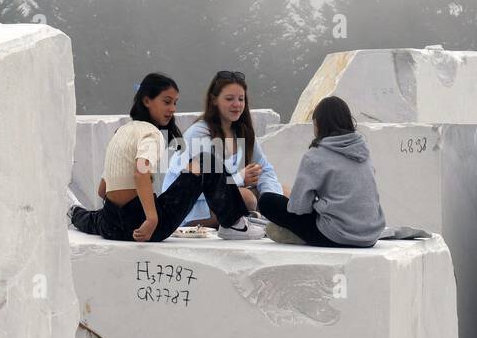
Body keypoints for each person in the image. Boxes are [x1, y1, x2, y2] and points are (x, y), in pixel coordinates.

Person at [69, 72, 265, 242]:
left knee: (92, 219)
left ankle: (74, 213)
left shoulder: (121, 132)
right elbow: (140, 172)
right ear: (147, 101)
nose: (172, 109)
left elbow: (103, 190)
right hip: (145, 225)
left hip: (111, 225)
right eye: (166, 102)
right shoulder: (151, 133)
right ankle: (234, 224)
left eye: (175, 103)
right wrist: (151, 219)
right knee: (207, 161)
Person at [257, 96, 386, 247]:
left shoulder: (316, 155)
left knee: (267, 201)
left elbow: (298, 207)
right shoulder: (362, 150)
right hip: (370, 236)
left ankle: (296, 235)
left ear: (318, 124)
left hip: (336, 235)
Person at [162, 70, 284, 227]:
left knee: (283, 193)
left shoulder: (241, 132)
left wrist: (271, 202)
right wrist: (240, 179)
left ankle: (260, 219)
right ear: (214, 100)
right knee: (247, 198)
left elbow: (265, 170)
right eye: (229, 99)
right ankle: (251, 219)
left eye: (241, 99)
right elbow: (192, 187)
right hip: (188, 207)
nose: (237, 104)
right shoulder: (199, 134)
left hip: (222, 198)